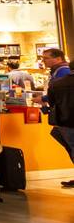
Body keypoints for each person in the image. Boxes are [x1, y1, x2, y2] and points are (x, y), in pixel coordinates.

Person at [40, 47, 73, 187]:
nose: (43, 61)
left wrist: (44, 99)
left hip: (66, 119)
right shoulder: (58, 74)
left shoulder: (61, 75)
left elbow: (54, 98)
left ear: (58, 58)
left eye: (46, 58)